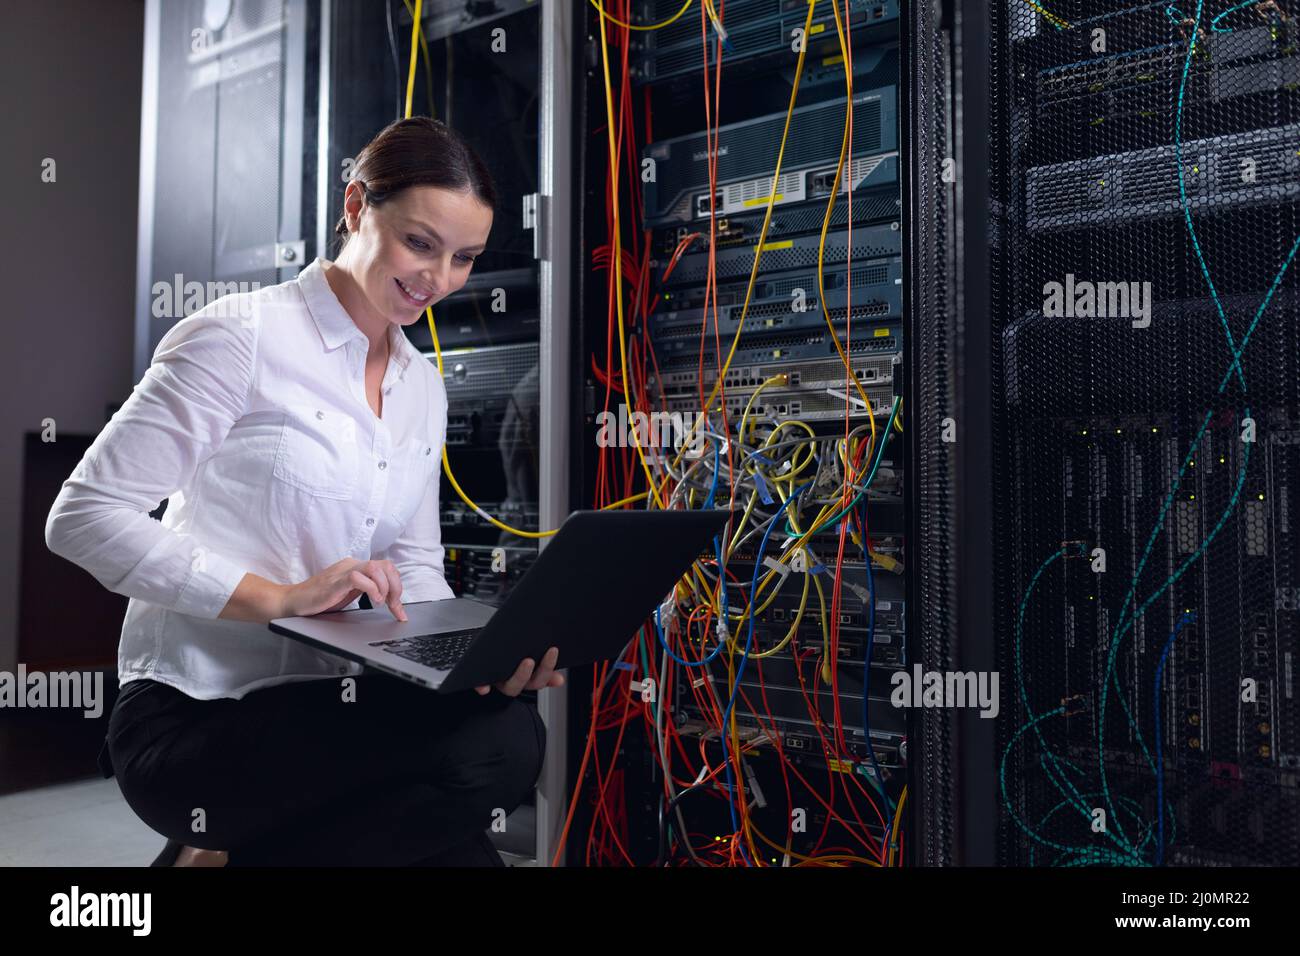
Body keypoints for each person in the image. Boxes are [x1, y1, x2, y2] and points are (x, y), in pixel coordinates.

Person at [45, 117, 561, 866]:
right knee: (475, 765)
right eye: (420, 243)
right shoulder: (238, 337)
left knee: (512, 736)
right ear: (356, 206)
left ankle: (221, 858)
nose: (440, 279)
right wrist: (278, 598)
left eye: (464, 258)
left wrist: (471, 657)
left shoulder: (422, 386)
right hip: (201, 711)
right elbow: (83, 516)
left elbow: (415, 565)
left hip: (340, 705)